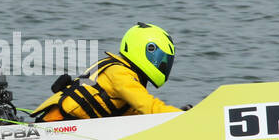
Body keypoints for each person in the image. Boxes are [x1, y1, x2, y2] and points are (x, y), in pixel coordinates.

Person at [31, 22, 190, 121]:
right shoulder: (120, 74)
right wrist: (185, 118)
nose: (163, 64)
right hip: (61, 125)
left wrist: (174, 115)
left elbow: (137, 115)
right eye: (161, 59)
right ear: (146, 51)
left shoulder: (112, 67)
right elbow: (148, 106)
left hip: (63, 123)